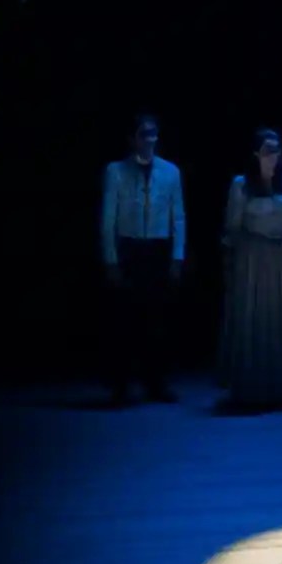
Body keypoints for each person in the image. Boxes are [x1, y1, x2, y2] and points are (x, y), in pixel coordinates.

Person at [217, 128, 282, 412]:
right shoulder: (241, 185)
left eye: (277, 150)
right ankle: (253, 387)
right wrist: (231, 262)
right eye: (268, 150)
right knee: (255, 319)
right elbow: (232, 227)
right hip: (253, 260)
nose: (274, 156)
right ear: (256, 153)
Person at [100, 114, 185, 405]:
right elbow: (108, 217)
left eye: (153, 135)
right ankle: (121, 384)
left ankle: (156, 382)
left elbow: (179, 217)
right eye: (143, 134)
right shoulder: (116, 171)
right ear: (132, 138)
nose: (150, 140)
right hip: (130, 249)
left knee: (157, 320)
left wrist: (177, 256)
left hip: (158, 250)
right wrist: (111, 259)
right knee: (125, 320)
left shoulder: (170, 172)